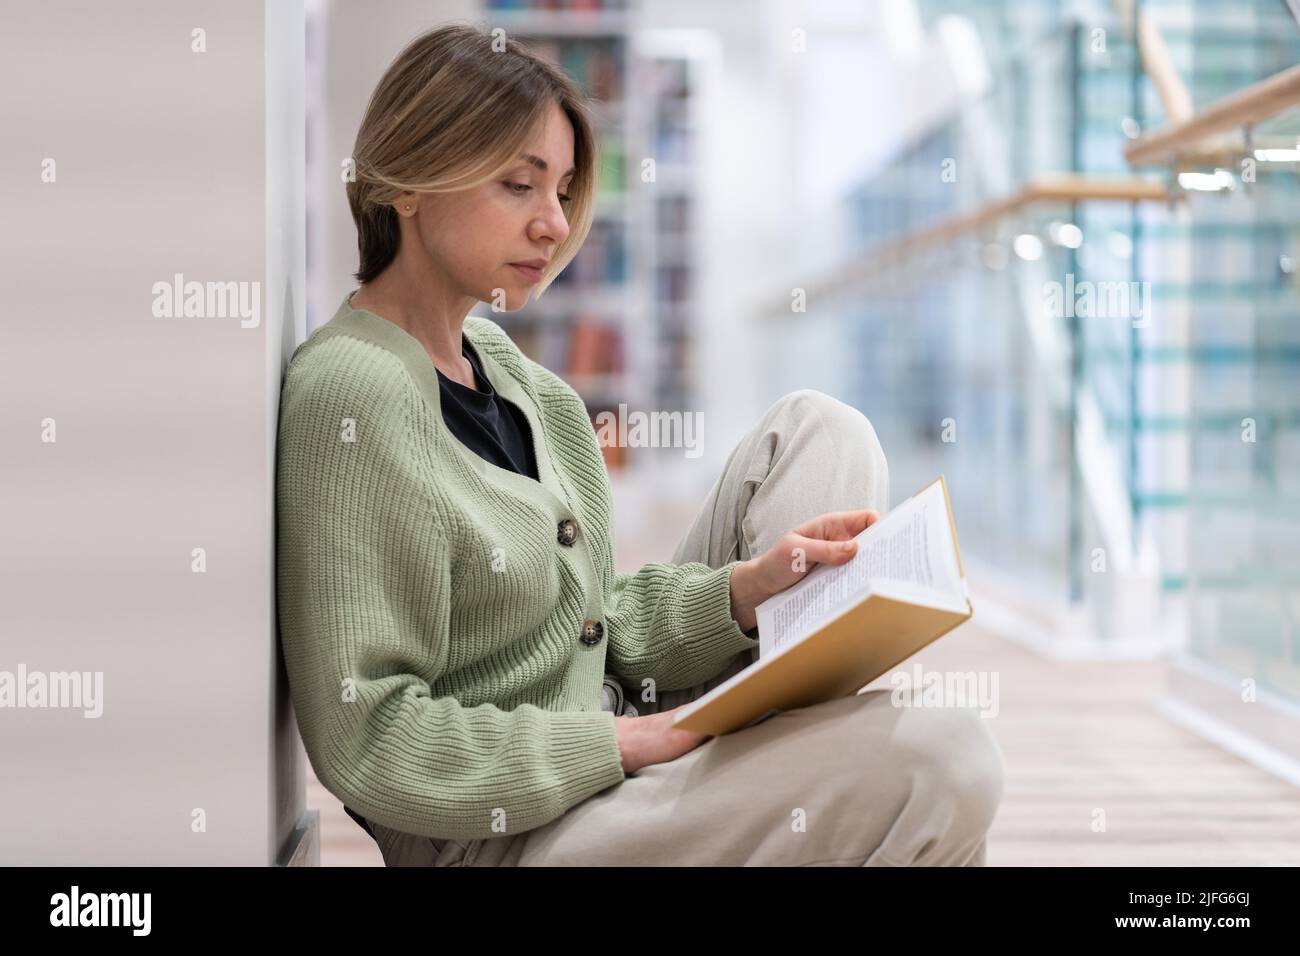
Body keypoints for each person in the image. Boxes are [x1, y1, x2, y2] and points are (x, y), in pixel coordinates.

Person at [275, 22, 1004, 867]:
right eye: (520, 185)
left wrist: (743, 594)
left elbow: (592, 624)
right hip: (508, 833)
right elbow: (371, 735)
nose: (553, 223)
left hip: (611, 735)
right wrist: (618, 745)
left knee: (820, 430)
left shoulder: (517, 377)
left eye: (563, 190)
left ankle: (798, 771)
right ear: (408, 182)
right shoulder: (352, 392)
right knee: (944, 757)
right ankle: (809, 781)